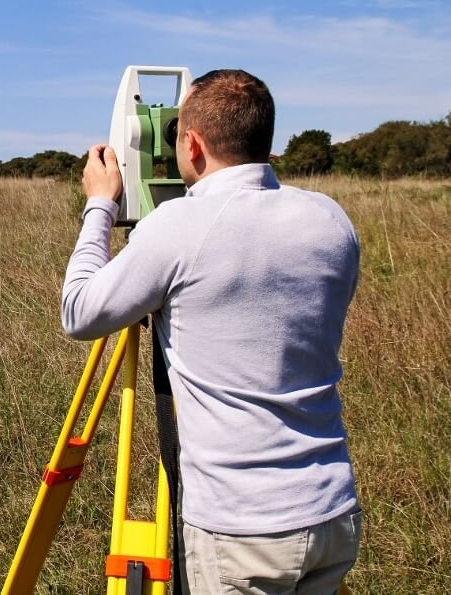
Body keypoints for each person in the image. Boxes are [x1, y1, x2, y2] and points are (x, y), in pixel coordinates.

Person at [62, 69, 361, 594]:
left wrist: (99, 205)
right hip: (331, 513)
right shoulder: (330, 219)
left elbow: (79, 313)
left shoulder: (178, 227)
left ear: (192, 143)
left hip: (242, 529)